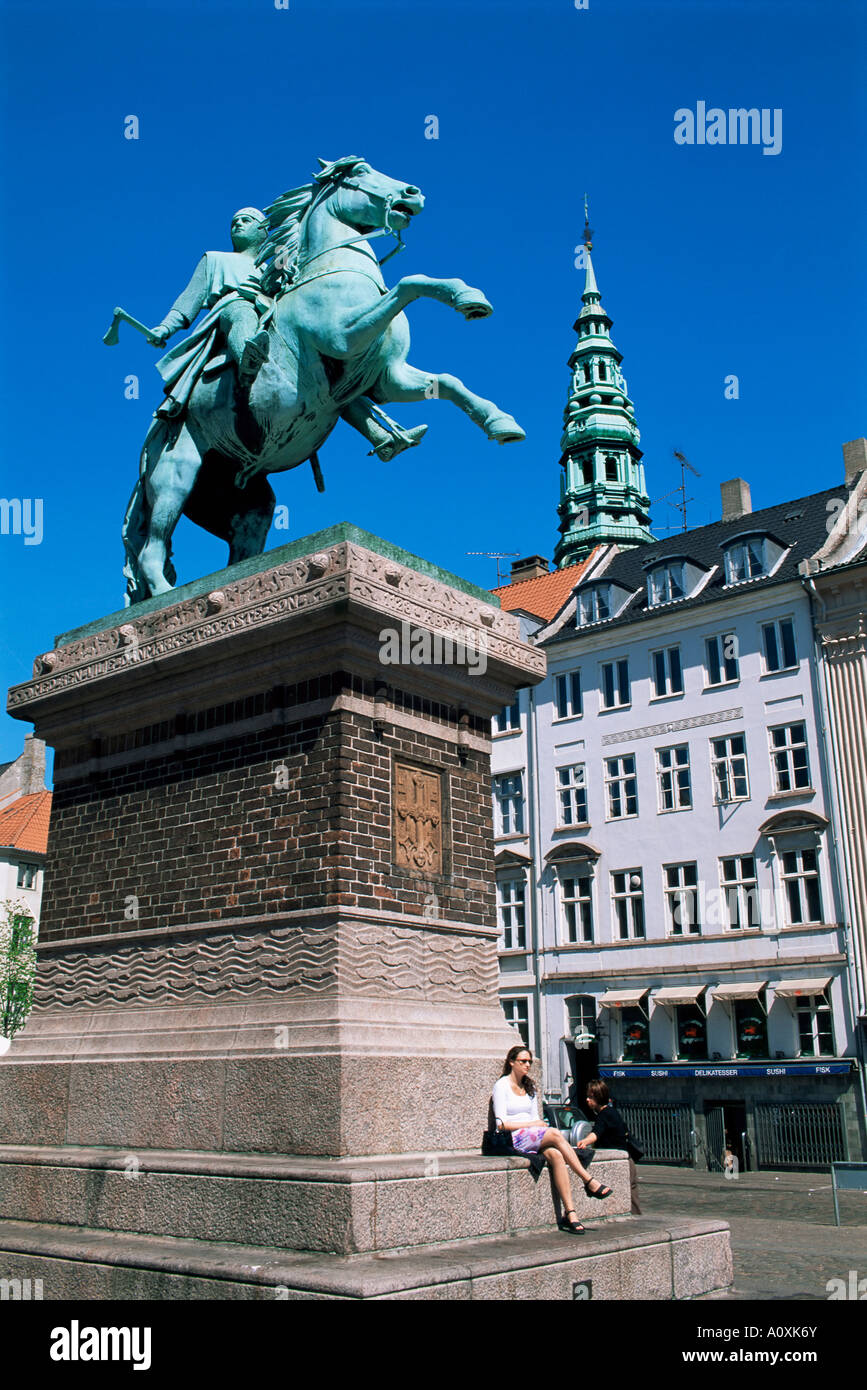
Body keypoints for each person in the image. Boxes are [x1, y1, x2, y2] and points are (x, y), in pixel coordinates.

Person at [150, 208, 273, 419]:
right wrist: (165, 328)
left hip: (267, 313)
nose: (238, 224)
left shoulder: (269, 269)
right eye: (234, 222)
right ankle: (248, 360)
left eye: (246, 220)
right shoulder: (215, 259)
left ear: (263, 231)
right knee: (242, 313)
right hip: (231, 309)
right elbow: (189, 299)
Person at [491, 1045, 613, 1234]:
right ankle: (588, 1180)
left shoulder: (530, 1087)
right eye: (523, 1061)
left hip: (534, 1136)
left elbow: (536, 1118)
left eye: (529, 1061)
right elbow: (501, 1124)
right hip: (514, 1137)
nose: (527, 1065)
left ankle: (571, 1213)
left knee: (556, 1155)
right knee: (555, 1133)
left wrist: (537, 1124)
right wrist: (533, 1124)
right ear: (511, 1062)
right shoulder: (502, 1085)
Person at [577, 1078, 642, 1215]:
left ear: (598, 1097)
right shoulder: (613, 1112)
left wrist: (585, 1142)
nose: (587, 1100)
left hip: (620, 1160)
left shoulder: (604, 1115)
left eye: (590, 1097)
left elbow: (596, 1133)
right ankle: (636, 1216)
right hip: (627, 1159)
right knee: (632, 1192)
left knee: (624, 1194)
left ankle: (632, 1218)